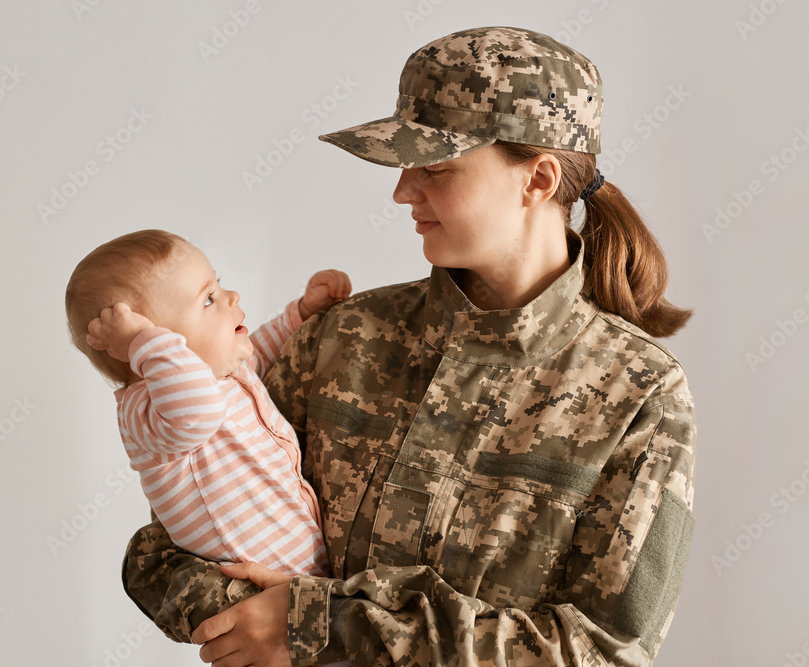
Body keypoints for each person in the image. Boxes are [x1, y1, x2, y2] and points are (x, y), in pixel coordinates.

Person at [121, 27, 697, 666]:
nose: (402, 192)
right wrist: (252, 616)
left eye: (436, 169)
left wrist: (318, 623)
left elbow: (606, 651)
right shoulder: (342, 336)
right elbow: (163, 553)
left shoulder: (639, 391)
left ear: (537, 179)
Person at [65, 230, 351, 578]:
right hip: (265, 583)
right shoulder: (148, 409)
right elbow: (199, 413)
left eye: (219, 285)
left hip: (304, 559)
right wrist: (144, 342)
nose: (232, 296)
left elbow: (255, 352)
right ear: (144, 350)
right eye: (208, 300)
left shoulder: (218, 373)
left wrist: (301, 314)